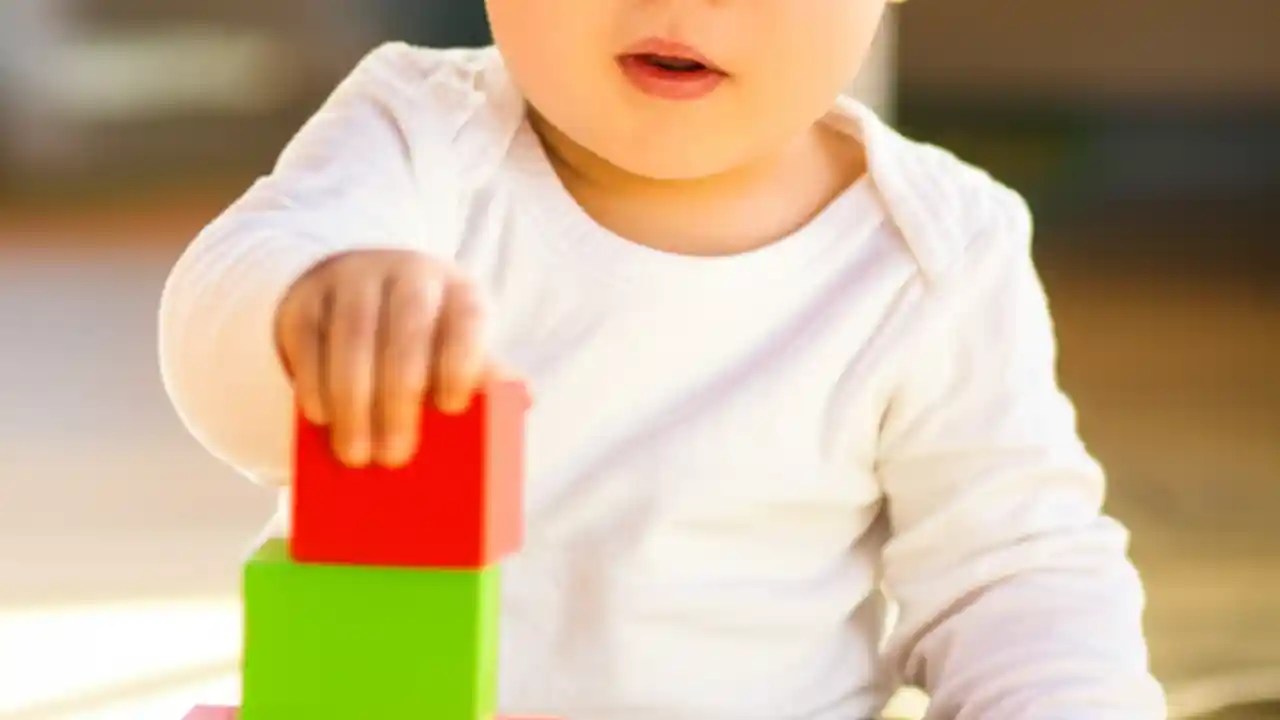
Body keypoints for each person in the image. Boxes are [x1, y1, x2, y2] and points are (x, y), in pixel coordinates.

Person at [157, 1, 1167, 717]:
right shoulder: (414, 138)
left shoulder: (936, 251)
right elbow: (219, 349)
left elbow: (1012, 574)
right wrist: (307, 307)